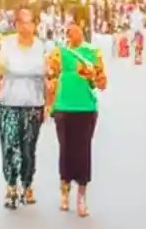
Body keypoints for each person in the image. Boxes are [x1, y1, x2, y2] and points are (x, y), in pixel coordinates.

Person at [46, 16, 108, 218]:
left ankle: (82, 195)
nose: (70, 32)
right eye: (67, 29)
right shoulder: (58, 53)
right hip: (63, 107)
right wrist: (49, 103)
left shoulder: (92, 53)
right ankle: (64, 191)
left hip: (86, 107)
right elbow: (50, 77)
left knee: (83, 151)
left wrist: (94, 76)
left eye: (74, 28)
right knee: (65, 149)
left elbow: (102, 83)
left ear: (82, 29)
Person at [0, 7, 49, 209]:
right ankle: (10, 186)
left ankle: (27, 184)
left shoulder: (41, 46)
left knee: (28, 149)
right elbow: (6, 67)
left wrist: (48, 103)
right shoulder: (6, 44)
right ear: (16, 24)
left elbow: (44, 72)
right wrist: (33, 70)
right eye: (21, 22)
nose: (25, 27)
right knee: (9, 146)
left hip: (33, 104)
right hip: (9, 102)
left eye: (29, 22)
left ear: (35, 25)